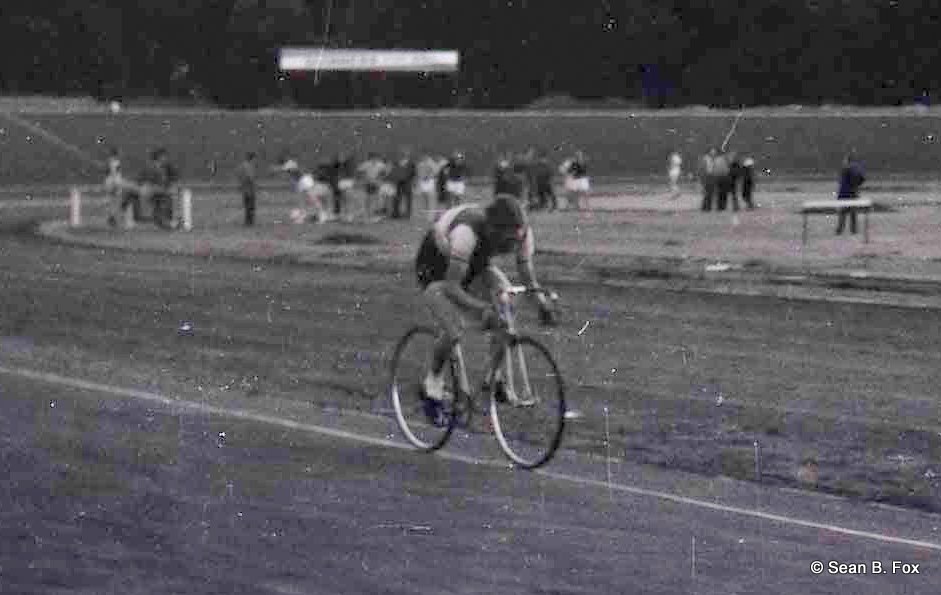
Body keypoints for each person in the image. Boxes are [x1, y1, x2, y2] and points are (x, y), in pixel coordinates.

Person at [414, 194, 556, 418]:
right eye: (507, 242)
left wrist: (542, 303)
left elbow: (527, 275)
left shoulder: (521, 233)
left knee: (506, 301)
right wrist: (481, 308)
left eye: (515, 242)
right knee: (453, 327)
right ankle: (432, 384)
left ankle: (492, 380)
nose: (511, 248)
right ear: (492, 230)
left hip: (474, 263)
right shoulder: (466, 233)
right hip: (435, 265)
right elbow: (452, 287)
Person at [279, 159, 331, 224]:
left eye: (288, 171)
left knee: (311, 198)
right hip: (306, 184)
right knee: (304, 201)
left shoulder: (304, 178)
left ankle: (322, 215)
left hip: (311, 184)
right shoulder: (298, 179)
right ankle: (307, 215)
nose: (288, 173)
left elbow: (313, 195)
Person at [835, 151, 866, 235]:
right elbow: (862, 179)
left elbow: (841, 181)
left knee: (843, 214)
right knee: (853, 214)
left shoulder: (845, 169)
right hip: (852, 193)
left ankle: (840, 231)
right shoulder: (855, 169)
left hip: (845, 194)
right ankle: (853, 230)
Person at [237, 151, 258, 226]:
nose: (255, 160)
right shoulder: (249, 166)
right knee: (250, 206)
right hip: (249, 189)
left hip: (244, 189)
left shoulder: (242, 165)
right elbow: (250, 177)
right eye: (255, 159)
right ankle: (249, 222)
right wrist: (255, 184)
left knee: (247, 206)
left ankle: (247, 222)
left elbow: (239, 175)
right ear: (252, 158)